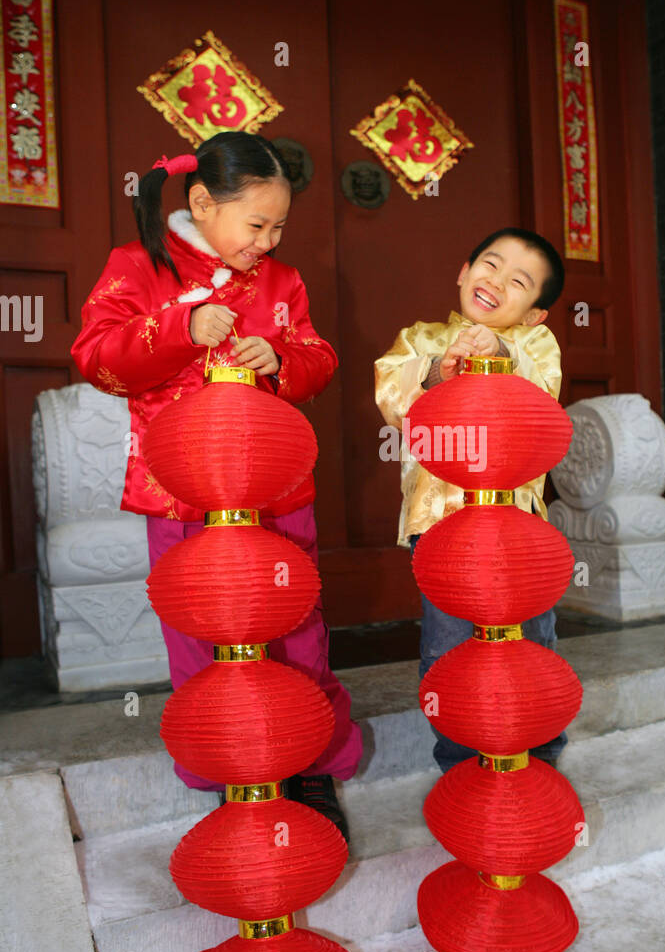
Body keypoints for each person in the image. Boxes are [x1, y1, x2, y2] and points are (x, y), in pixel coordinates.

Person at [71, 130, 360, 840]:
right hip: (180, 495)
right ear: (201, 204)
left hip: (277, 493)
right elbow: (97, 359)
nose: (268, 241)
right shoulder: (138, 267)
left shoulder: (284, 282)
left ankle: (310, 762)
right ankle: (232, 767)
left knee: (296, 631)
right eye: (256, 224)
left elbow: (320, 358)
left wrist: (282, 358)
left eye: (280, 226)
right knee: (203, 638)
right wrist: (179, 327)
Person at [374, 227, 570, 774]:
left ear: (533, 314)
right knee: (449, 649)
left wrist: (499, 353)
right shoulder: (421, 339)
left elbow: (540, 388)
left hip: (517, 534)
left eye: (518, 282)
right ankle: (461, 761)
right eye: (490, 264)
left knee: (530, 644)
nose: (496, 282)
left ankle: (540, 760)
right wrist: (442, 370)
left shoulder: (534, 345)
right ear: (464, 271)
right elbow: (392, 392)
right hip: (441, 530)